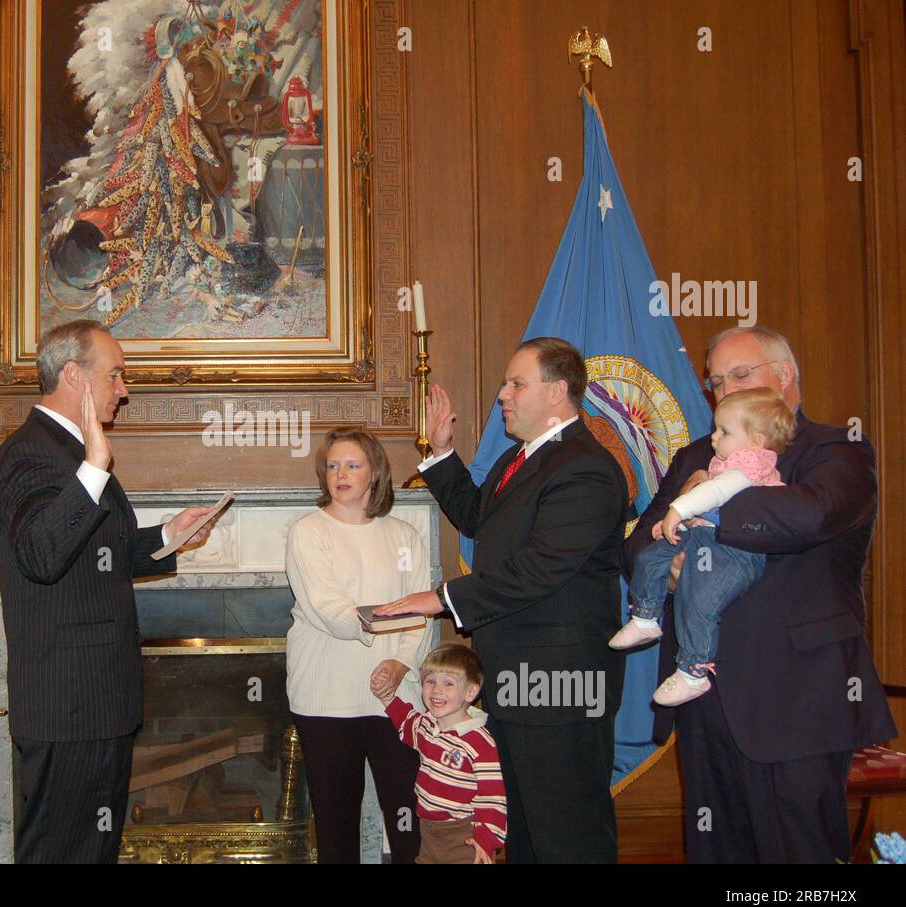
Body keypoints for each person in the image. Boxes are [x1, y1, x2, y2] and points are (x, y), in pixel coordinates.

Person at [622, 325, 897, 863]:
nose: (724, 390)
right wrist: (677, 533)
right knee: (717, 853)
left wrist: (707, 503)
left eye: (740, 375)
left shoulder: (836, 448)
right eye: (716, 381)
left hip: (797, 695)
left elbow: (810, 515)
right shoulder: (697, 455)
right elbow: (636, 546)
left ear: (784, 376)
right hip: (705, 694)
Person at [377, 336, 627, 863]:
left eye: (517, 383)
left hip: (562, 685)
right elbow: (477, 518)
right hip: (516, 678)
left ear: (558, 391)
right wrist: (442, 451)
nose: (501, 395)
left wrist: (439, 599)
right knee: (529, 831)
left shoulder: (586, 467)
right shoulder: (523, 457)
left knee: (568, 831)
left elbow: (540, 569)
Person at [0, 319, 213, 864]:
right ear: (74, 376)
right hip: (67, 704)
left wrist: (168, 537)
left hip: (99, 703)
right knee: (60, 852)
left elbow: (95, 553)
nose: (124, 390)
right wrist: (94, 466)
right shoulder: (28, 454)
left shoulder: (73, 451)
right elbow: (42, 556)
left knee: (93, 851)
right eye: (115, 375)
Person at [284, 427, 436, 863]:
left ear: (375, 473)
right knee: (336, 829)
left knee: (408, 820)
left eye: (352, 465)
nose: (340, 474)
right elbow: (328, 609)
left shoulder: (404, 536)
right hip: (326, 698)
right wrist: (388, 616)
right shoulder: (308, 531)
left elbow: (420, 610)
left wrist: (401, 666)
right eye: (332, 466)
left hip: (395, 697)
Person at [611, 388, 794, 706]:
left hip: (733, 553)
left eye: (724, 431)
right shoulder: (723, 463)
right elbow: (707, 512)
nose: (713, 437)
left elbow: (716, 494)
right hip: (702, 538)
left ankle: (693, 671)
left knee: (699, 600)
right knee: (652, 556)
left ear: (756, 441)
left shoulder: (750, 467)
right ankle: (645, 615)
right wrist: (677, 523)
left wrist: (678, 510)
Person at [372, 643, 507, 864]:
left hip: (463, 835)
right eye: (430, 681)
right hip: (427, 830)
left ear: (471, 692)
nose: (436, 690)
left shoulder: (479, 742)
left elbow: (493, 797)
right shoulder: (427, 724)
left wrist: (486, 839)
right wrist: (387, 697)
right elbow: (406, 722)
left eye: (448, 683)